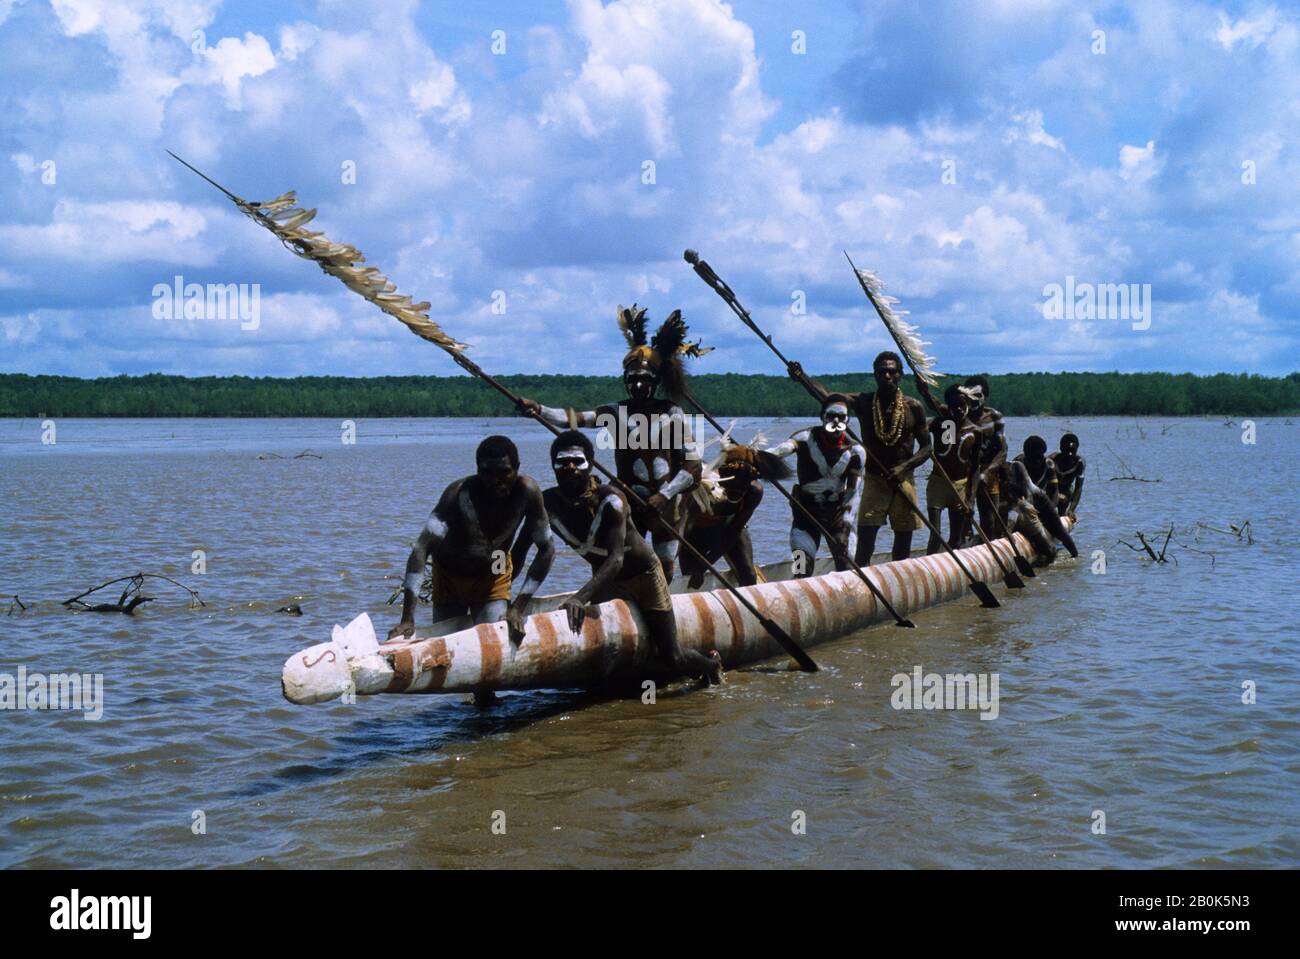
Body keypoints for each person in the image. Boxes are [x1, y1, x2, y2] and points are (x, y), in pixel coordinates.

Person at [516, 429, 723, 685]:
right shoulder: (545, 504)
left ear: (589, 465)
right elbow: (521, 552)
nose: (570, 468)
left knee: (671, 656)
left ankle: (711, 665)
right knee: (615, 652)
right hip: (607, 581)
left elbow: (616, 558)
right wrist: (514, 607)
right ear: (553, 467)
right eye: (562, 462)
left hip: (644, 576)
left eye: (577, 461)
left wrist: (580, 598)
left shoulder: (611, 499)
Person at [517, 306, 707, 582]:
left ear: (655, 382)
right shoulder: (614, 413)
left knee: (665, 566)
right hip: (629, 503)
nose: (639, 386)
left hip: (667, 505)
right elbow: (571, 419)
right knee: (626, 559)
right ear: (625, 382)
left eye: (645, 380)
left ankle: (665, 605)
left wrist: (664, 496)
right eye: (632, 380)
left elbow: (693, 466)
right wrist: (538, 408)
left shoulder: (672, 413)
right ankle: (620, 600)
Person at [389, 435, 555, 705]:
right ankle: (458, 716)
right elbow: (421, 549)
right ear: (478, 471)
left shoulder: (527, 492)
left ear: (517, 468)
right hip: (450, 576)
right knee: (449, 653)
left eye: (504, 472)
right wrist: (408, 618)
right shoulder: (458, 494)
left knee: (490, 651)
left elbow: (547, 549)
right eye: (487, 473)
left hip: (494, 576)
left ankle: (486, 710)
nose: (496, 480)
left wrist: (518, 606)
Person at [787, 352, 931, 564]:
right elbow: (828, 398)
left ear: (900, 374)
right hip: (873, 479)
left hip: (904, 479)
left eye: (892, 371)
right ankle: (861, 580)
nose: (887, 376)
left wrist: (903, 468)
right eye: (882, 372)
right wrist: (802, 377)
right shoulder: (863, 402)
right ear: (875, 375)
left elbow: (927, 448)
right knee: (865, 541)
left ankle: (899, 581)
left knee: (903, 539)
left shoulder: (914, 407)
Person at [764, 395, 866, 576]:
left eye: (841, 417)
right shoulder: (804, 438)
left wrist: (847, 521)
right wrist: (758, 457)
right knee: (801, 564)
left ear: (847, 420)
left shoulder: (856, 451)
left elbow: (854, 492)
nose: (836, 421)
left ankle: (847, 593)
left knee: (845, 562)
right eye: (831, 416)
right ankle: (797, 589)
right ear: (822, 417)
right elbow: (782, 450)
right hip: (805, 512)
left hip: (837, 514)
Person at [679, 443, 776, 589]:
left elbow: (733, 533)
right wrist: (697, 568)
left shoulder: (754, 491)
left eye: (741, 489)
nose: (736, 494)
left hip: (728, 528)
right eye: (731, 488)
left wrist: (703, 565)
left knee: (748, 575)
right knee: (690, 579)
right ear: (723, 476)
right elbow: (682, 526)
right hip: (694, 533)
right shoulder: (702, 486)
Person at [924, 384, 981, 554]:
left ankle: (951, 567)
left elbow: (975, 467)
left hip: (960, 486)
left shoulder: (975, 432)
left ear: (968, 405)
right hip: (938, 484)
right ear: (948, 406)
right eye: (954, 405)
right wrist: (924, 392)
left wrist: (971, 499)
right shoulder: (944, 425)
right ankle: (929, 568)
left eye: (962, 405)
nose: (958, 409)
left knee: (956, 538)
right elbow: (926, 420)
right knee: (935, 535)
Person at [1001, 459, 1080, 563]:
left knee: (1059, 530)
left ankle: (1075, 556)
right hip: (1025, 505)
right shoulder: (1002, 471)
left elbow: (1025, 500)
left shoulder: (1018, 467)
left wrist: (1009, 527)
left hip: (1041, 503)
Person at [962, 375, 1008, 539]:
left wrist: (987, 473)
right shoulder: (959, 416)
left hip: (989, 471)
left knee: (989, 520)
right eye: (971, 396)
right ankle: (962, 546)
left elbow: (1002, 451)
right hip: (964, 473)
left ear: (985, 397)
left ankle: (987, 547)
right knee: (964, 517)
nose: (974, 400)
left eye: (978, 396)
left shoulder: (994, 417)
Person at [1013, 435, 1060, 512]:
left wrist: (1050, 509)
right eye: (1034, 458)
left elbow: (1054, 491)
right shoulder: (1017, 464)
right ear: (1026, 455)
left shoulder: (1049, 465)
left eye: (1040, 457)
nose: (1038, 461)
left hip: (1041, 501)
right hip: (1022, 502)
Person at [1049, 432, 1086, 519]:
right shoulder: (1051, 461)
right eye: (1067, 450)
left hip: (1066, 490)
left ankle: (1062, 517)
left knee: (1065, 500)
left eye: (1072, 451)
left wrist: (1071, 510)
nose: (1069, 454)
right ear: (1061, 448)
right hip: (1050, 490)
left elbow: (1078, 488)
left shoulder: (1080, 463)